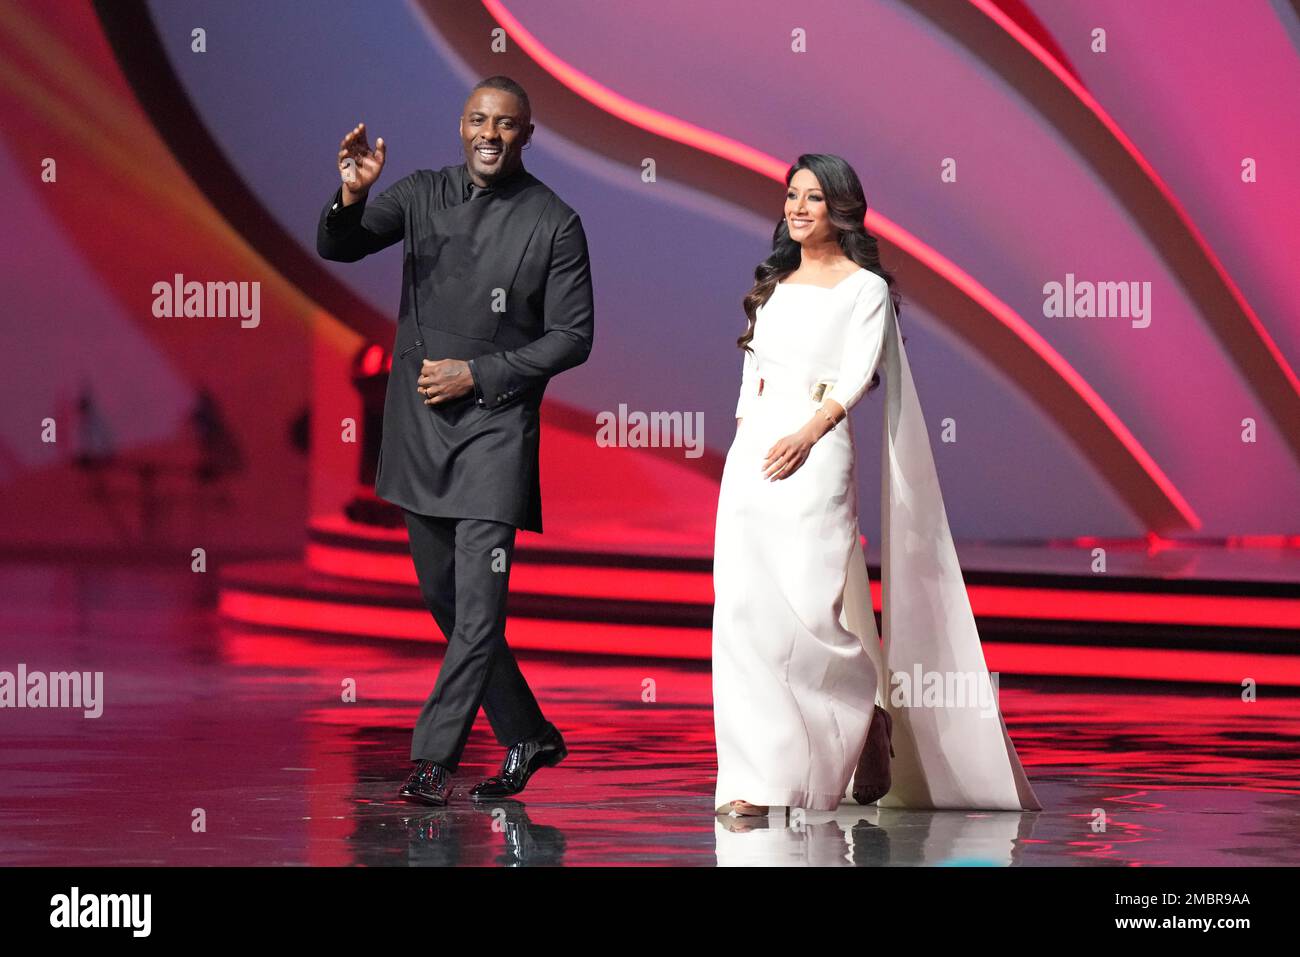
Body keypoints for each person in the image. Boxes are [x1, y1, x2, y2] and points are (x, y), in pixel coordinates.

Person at [711, 154, 1040, 817]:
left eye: (814, 198)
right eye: (792, 196)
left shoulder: (863, 288)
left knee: (811, 609)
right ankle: (755, 780)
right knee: (746, 616)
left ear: (842, 209)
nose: (799, 208)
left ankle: (863, 708)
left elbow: (859, 373)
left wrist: (807, 433)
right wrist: (749, 442)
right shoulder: (772, 283)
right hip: (753, 457)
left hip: (818, 450)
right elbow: (751, 379)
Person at [316, 76, 594, 806]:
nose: (490, 134)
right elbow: (342, 247)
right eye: (478, 119)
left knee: (478, 612)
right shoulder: (421, 194)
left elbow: (573, 336)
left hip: (495, 433)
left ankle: (433, 759)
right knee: (445, 599)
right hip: (420, 431)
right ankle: (528, 733)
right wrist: (350, 196)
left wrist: (481, 373)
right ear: (461, 126)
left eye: (505, 123)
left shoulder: (554, 222)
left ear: (526, 134)